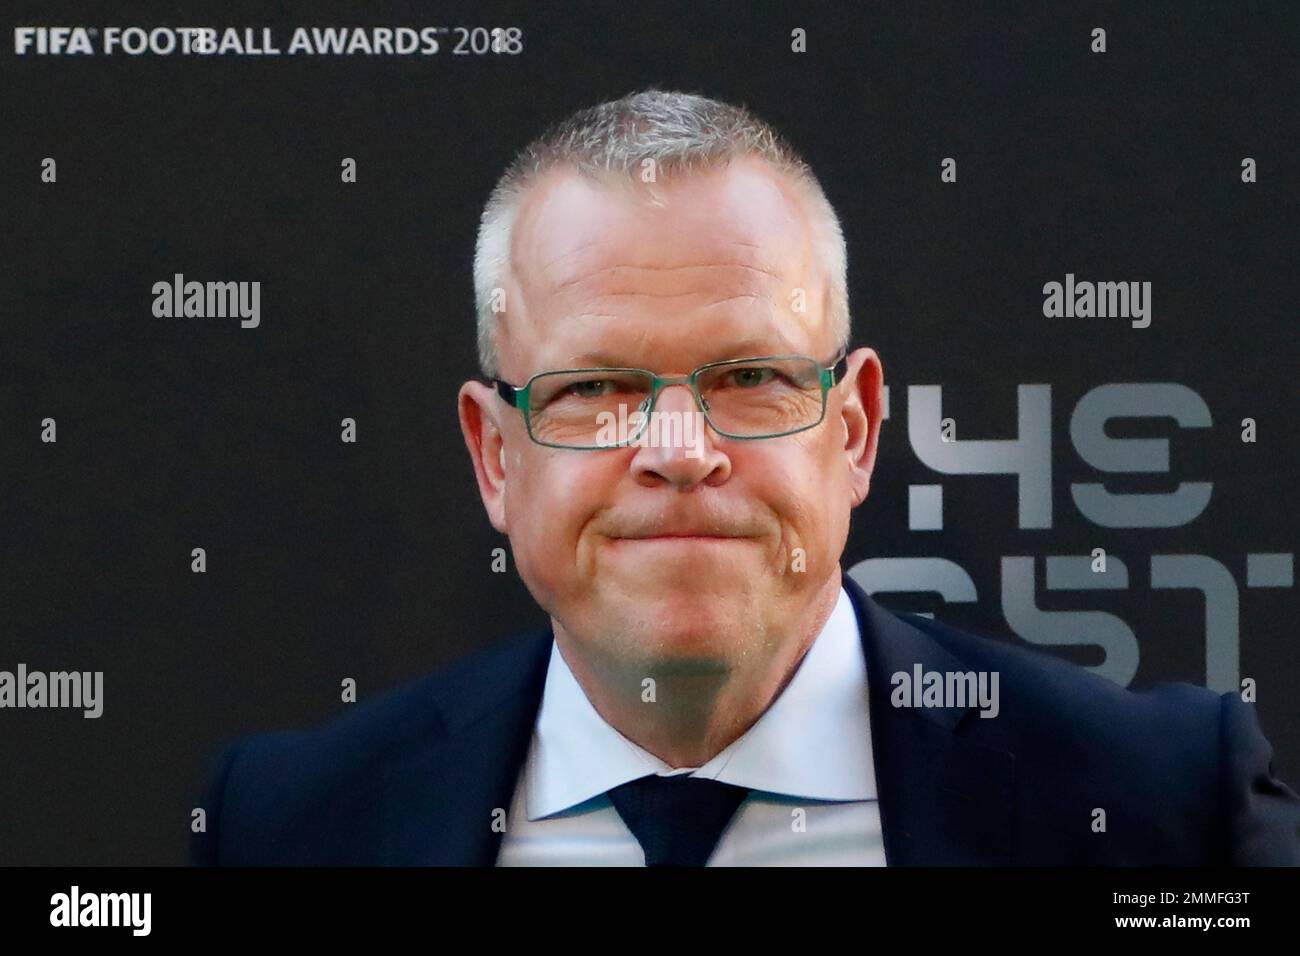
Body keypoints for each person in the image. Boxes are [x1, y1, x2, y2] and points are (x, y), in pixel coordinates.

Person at [192, 89, 1300, 866]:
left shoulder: (1161, 805)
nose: (678, 447)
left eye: (752, 374)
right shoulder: (289, 825)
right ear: (495, 455)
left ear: (856, 428)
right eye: (594, 388)